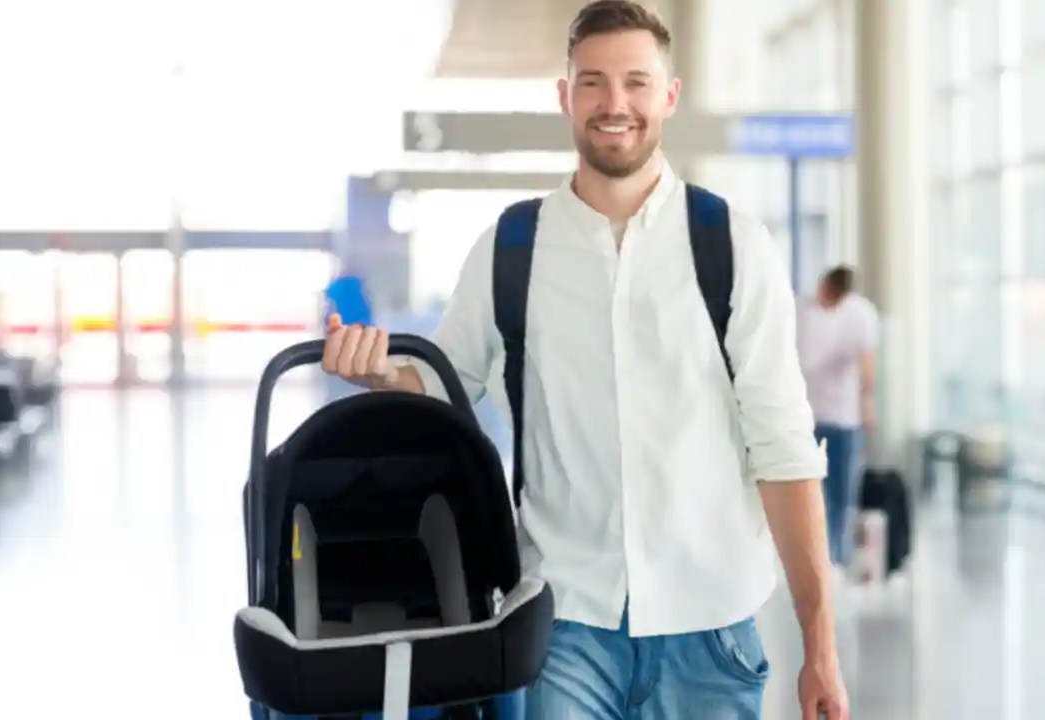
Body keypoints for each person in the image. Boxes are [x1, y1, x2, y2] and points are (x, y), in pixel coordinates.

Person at [322, 2, 849, 718]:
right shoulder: (513, 248)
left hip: (710, 626)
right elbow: (445, 386)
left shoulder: (732, 245)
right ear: (566, 97)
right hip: (567, 622)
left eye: (636, 81)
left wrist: (819, 643)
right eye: (593, 82)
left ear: (668, 94)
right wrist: (383, 375)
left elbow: (784, 452)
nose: (615, 104)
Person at [795, 266, 880, 568]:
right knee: (809, 491)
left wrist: (867, 404)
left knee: (842, 492)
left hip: (844, 417)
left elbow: (867, 364)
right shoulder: (803, 309)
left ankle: (838, 558)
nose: (823, 298)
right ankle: (815, 556)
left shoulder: (859, 315)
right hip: (806, 415)